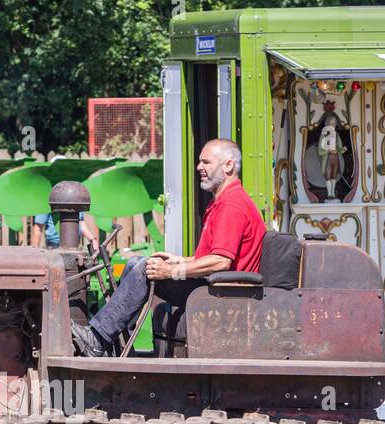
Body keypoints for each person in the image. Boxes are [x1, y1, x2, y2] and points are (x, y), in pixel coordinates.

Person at [72, 139, 265, 355]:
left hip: (226, 294)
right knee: (137, 262)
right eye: (200, 162)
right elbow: (210, 257)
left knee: (146, 270)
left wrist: (172, 271)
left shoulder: (232, 205)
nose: (199, 167)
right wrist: (178, 260)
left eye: (206, 162)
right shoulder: (222, 202)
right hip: (216, 286)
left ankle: (98, 338)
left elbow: (221, 261)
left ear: (228, 166)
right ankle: (113, 342)